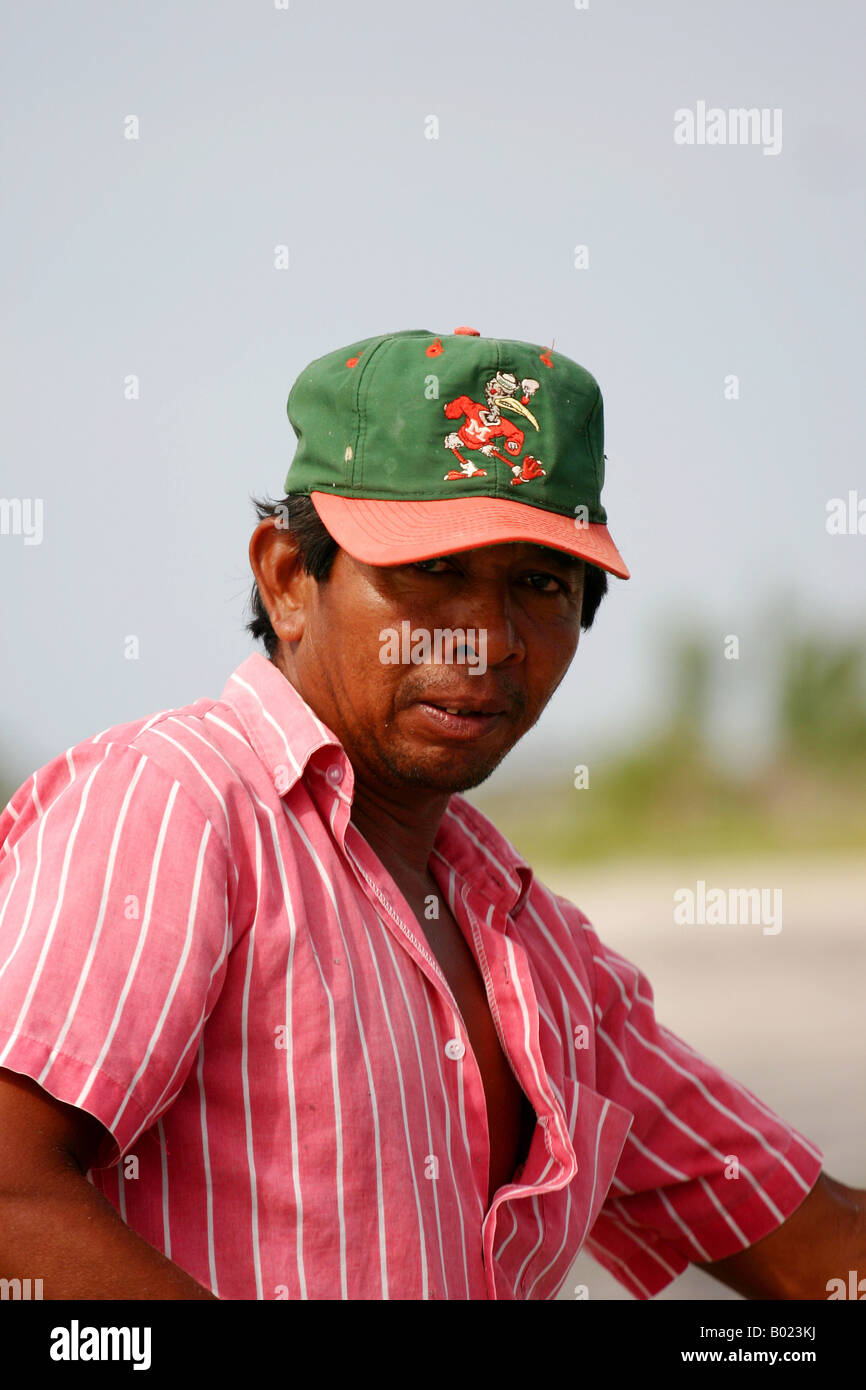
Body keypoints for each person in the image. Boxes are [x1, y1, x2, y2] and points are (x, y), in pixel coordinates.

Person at [0, 327, 861, 1301]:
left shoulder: (534, 946)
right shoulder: (173, 806)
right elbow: (10, 1189)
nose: (487, 639)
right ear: (288, 576)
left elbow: (809, 1245)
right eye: (429, 572)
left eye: (538, 584)